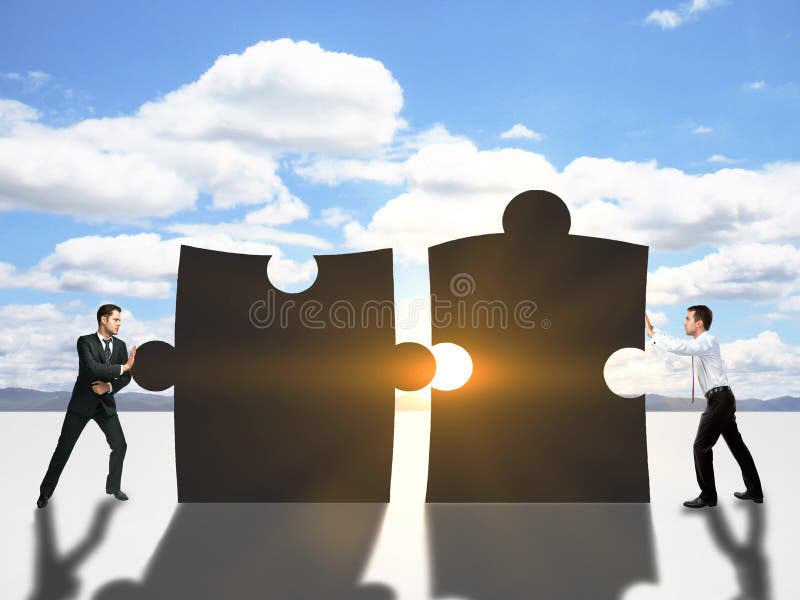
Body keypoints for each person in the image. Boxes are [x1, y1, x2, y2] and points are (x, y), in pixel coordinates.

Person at [645, 305, 763, 509]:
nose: (684, 322)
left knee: (701, 447)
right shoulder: (703, 343)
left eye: (687, 318)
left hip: (720, 400)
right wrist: (652, 330)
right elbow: (680, 344)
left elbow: (680, 347)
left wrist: (655, 334)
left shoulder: (707, 340)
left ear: (699, 322)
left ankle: (708, 496)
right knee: (737, 446)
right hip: (722, 399)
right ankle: (755, 491)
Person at [37, 304, 137, 508]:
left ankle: (113, 487)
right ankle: (45, 493)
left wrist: (108, 386)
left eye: (120, 320)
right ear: (103, 319)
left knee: (120, 445)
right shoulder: (85, 342)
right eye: (116, 319)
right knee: (63, 449)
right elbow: (92, 367)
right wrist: (123, 366)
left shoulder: (120, 345)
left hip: (105, 405)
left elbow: (127, 377)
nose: (119, 323)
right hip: (82, 404)